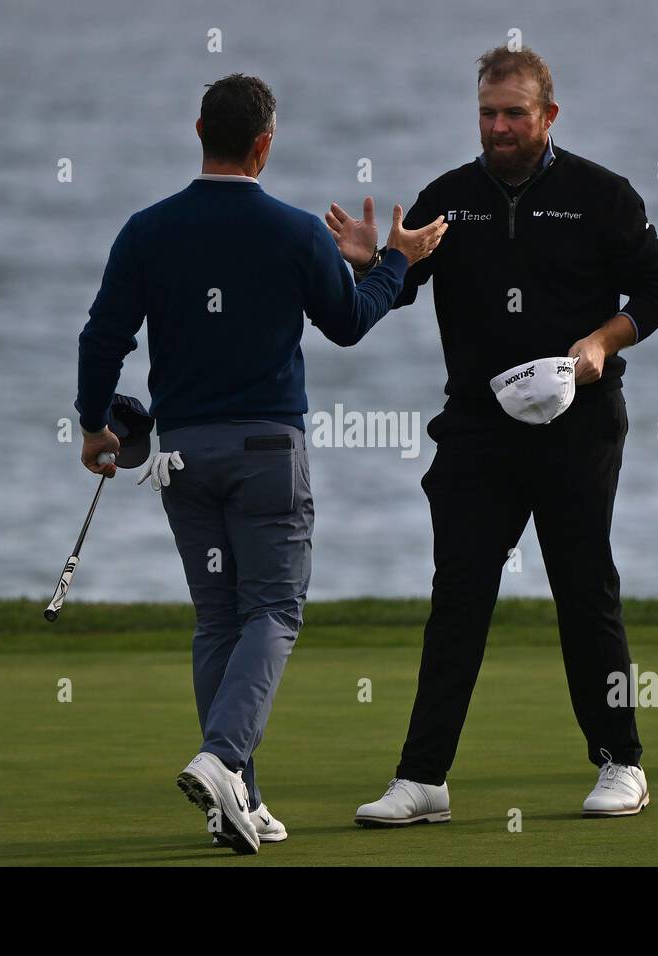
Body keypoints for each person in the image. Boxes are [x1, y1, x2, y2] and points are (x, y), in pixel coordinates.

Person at [74, 73, 446, 853]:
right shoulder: (295, 232)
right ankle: (223, 760)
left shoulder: (146, 229)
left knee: (219, 618)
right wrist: (391, 263)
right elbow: (349, 325)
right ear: (265, 145)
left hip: (181, 456)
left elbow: (102, 338)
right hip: (268, 454)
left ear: (199, 128)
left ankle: (237, 799)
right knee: (272, 613)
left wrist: (94, 426)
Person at [325, 45, 658, 825]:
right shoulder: (449, 199)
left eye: (515, 113)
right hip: (477, 431)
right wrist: (371, 263)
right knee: (458, 597)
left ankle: (621, 762)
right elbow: (400, 286)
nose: (499, 127)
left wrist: (602, 342)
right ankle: (423, 780)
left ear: (548, 116)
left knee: (584, 590)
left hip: (578, 425)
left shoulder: (601, 195)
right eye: (488, 113)